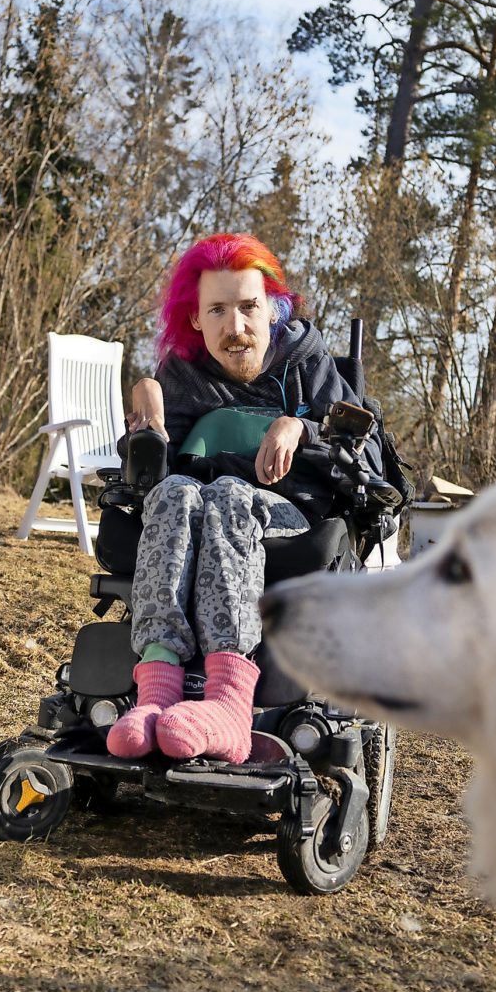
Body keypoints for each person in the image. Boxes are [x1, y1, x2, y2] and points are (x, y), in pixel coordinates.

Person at [107, 232, 362, 764]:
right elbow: (152, 475)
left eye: (248, 307)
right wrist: (146, 418)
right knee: (177, 491)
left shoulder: (307, 362)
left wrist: (299, 428)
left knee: (227, 493)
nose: (237, 326)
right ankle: (158, 692)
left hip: (289, 513)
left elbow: (363, 447)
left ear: (273, 307)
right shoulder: (182, 373)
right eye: (218, 310)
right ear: (196, 320)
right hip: (197, 510)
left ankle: (227, 700)